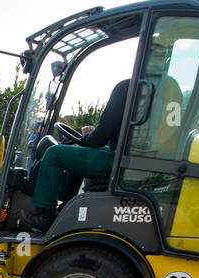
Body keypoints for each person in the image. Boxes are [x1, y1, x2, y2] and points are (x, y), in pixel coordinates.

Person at [23, 78, 129, 230]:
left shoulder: (125, 88)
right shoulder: (149, 88)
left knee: (54, 153)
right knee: (76, 154)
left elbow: (100, 136)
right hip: (126, 156)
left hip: (118, 159)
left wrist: (86, 138)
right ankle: (66, 206)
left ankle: (45, 216)